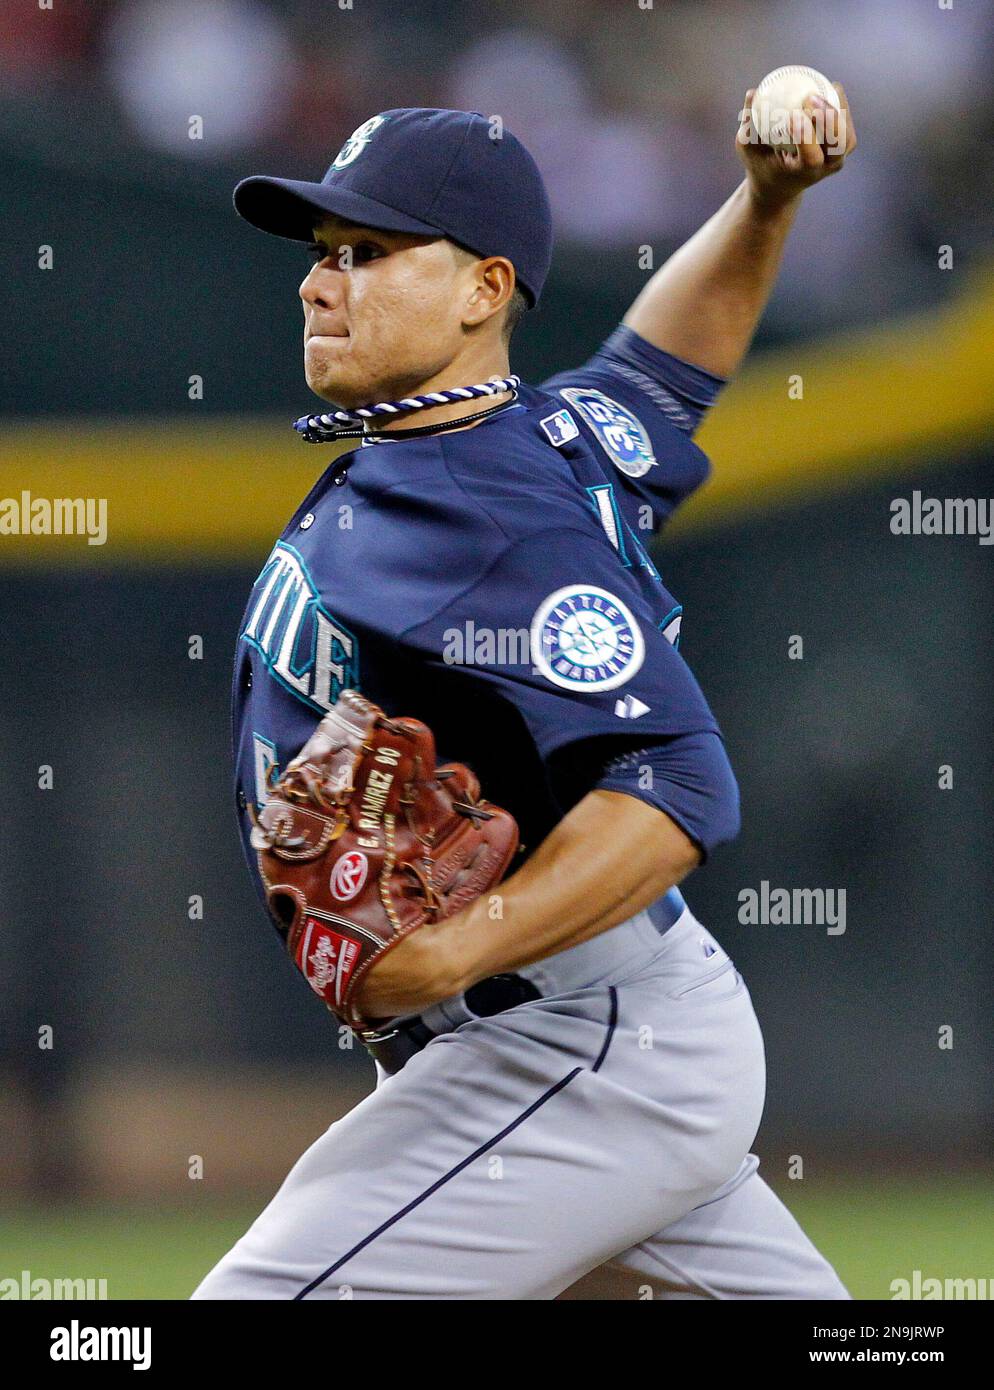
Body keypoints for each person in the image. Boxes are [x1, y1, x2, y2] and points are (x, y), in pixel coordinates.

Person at [193, 95, 856, 1299]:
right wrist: (766, 203)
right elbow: (665, 367)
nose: (320, 284)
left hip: (566, 1046)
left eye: (369, 253)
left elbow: (675, 785)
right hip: (603, 1039)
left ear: (482, 290)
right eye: (321, 255)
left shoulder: (480, 509)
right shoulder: (546, 431)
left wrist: (453, 945)